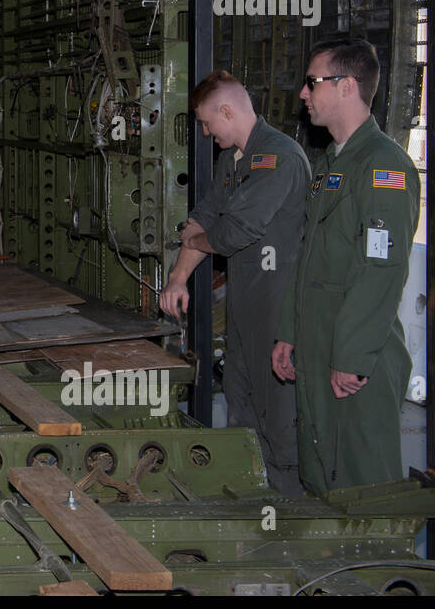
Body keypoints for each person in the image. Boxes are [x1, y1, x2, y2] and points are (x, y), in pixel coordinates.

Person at [272, 38, 419, 495]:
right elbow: (310, 258)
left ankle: (381, 568)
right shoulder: (332, 164)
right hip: (319, 344)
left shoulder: (382, 168)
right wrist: (289, 330)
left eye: (312, 82)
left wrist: (352, 357)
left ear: (347, 86)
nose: (303, 93)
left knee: (363, 482)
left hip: (355, 358)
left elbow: (381, 270)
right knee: (320, 471)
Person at [160, 71, 310, 495]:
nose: (206, 133)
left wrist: (199, 238)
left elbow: (231, 233)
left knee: (278, 416)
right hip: (247, 305)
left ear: (228, 111)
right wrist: (177, 278)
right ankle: (253, 500)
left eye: (208, 123)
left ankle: (289, 512)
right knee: (242, 404)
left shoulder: (277, 156)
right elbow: (206, 216)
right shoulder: (235, 159)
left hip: (276, 309)